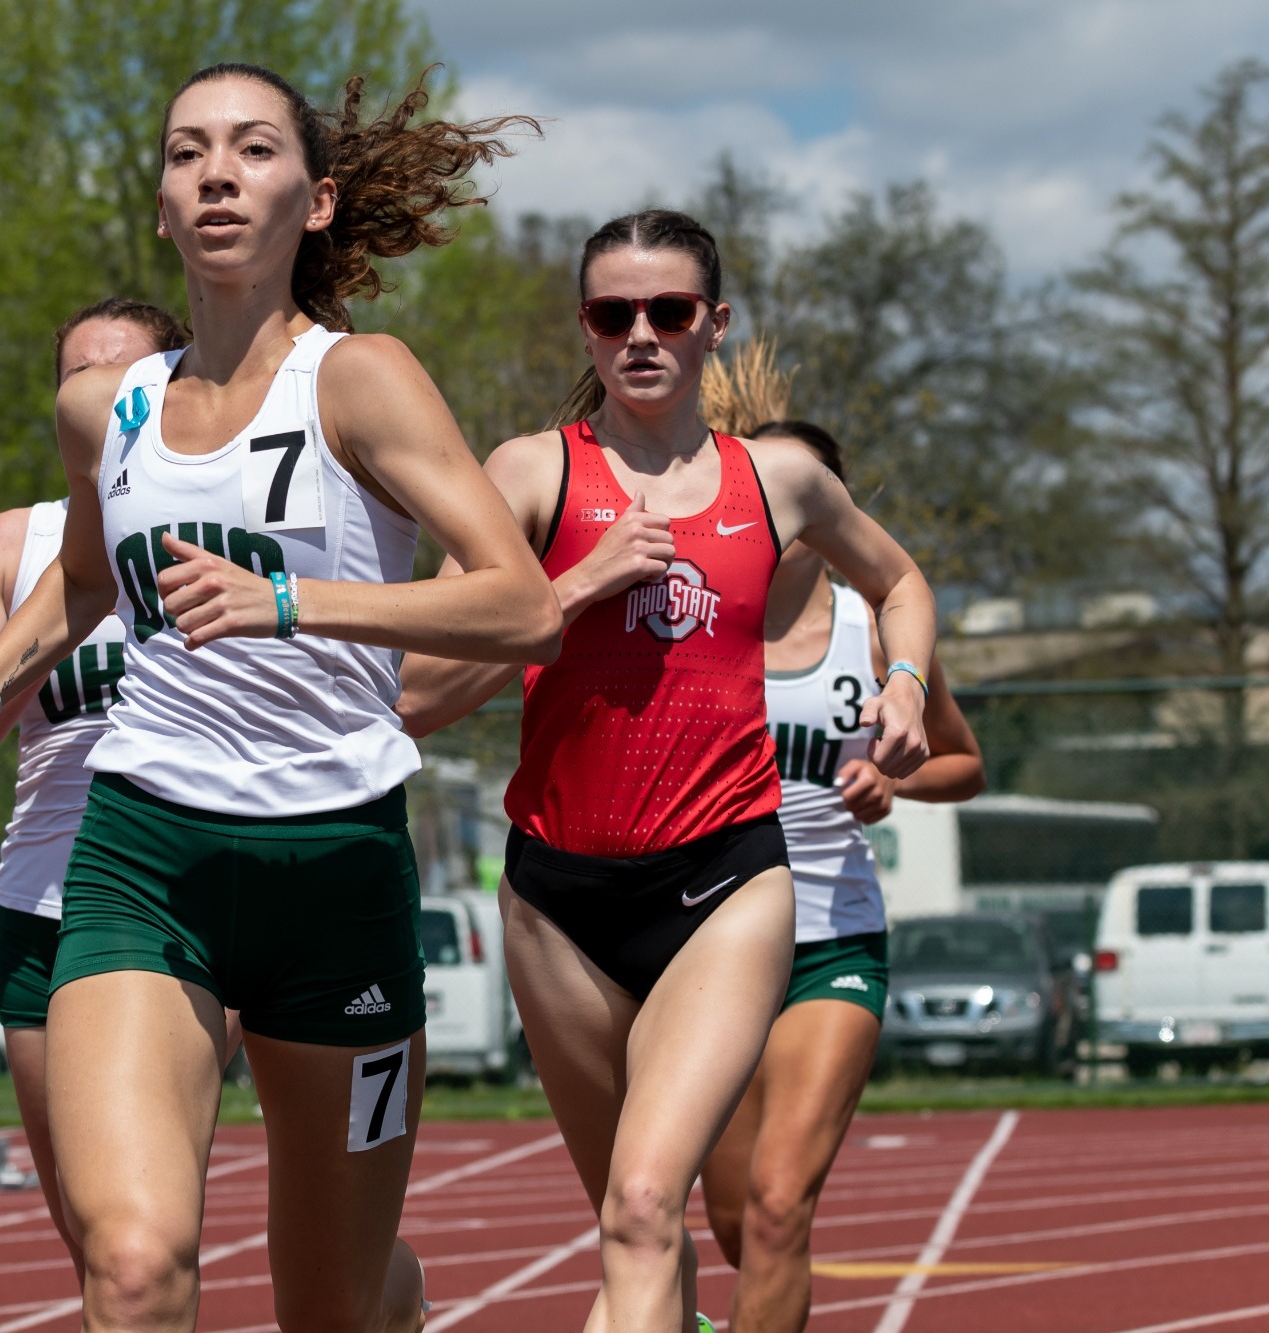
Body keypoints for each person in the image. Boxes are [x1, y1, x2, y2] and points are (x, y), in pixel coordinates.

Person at [0, 63, 559, 1333]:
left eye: (250, 150)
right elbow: (82, 581)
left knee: (334, 1306)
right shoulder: (113, 409)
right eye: (188, 154)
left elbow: (520, 606)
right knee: (131, 1268)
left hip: (339, 870)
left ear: (314, 199)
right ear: (160, 206)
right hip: (146, 854)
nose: (216, 175)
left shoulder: (360, 379)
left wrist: (290, 604)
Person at [396, 209, 938, 1333]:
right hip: (557, 900)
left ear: (713, 325)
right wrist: (573, 588)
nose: (639, 335)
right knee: (627, 1219)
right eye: (611, 313)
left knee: (645, 1203)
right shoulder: (532, 473)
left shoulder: (777, 479)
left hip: (725, 883)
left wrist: (903, 684)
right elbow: (414, 694)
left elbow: (900, 583)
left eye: (668, 311)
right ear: (584, 330)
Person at [0, 297, 248, 1287]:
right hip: (43, 901)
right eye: (76, 382)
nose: (96, 399)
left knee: (138, 1221)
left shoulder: (217, 532)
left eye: (121, 377)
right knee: (93, 1242)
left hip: (179, 890)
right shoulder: (12, 544)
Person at [697, 418, 985, 1333]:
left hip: (834, 935)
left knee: (783, 1204)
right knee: (739, 1220)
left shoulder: (875, 629)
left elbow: (963, 763)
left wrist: (890, 778)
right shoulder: (694, 618)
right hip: (714, 936)